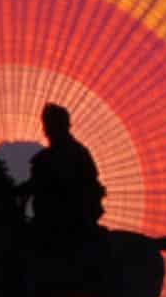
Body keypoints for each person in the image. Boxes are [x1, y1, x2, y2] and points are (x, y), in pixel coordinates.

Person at [17, 103, 105, 256]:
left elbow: (39, 185)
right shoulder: (75, 153)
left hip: (63, 222)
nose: (46, 130)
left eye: (49, 125)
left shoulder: (53, 157)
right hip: (66, 219)